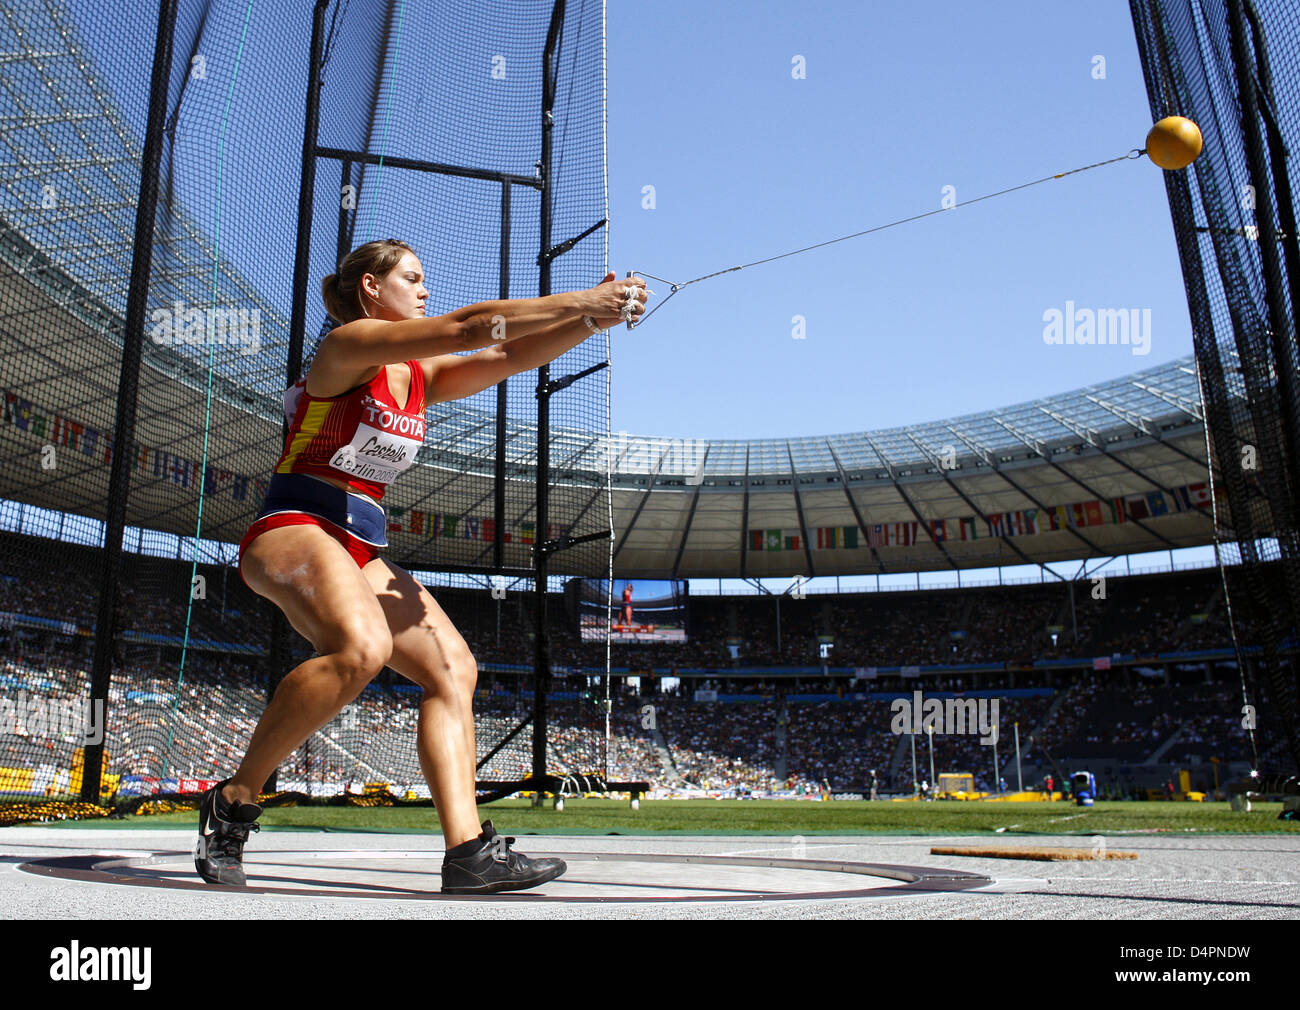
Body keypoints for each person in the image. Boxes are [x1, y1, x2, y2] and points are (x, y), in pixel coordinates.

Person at [195, 238, 646, 893]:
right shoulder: (347, 347)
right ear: (372, 291)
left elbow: (508, 353)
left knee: (453, 669)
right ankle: (235, 798)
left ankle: (467, 852)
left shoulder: (419, 378)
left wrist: (589, 323)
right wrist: (584, 297)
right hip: (292, 528)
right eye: (413, 277)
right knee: (361, 646)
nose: (426, 289)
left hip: (356, 548)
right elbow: (468, 327)